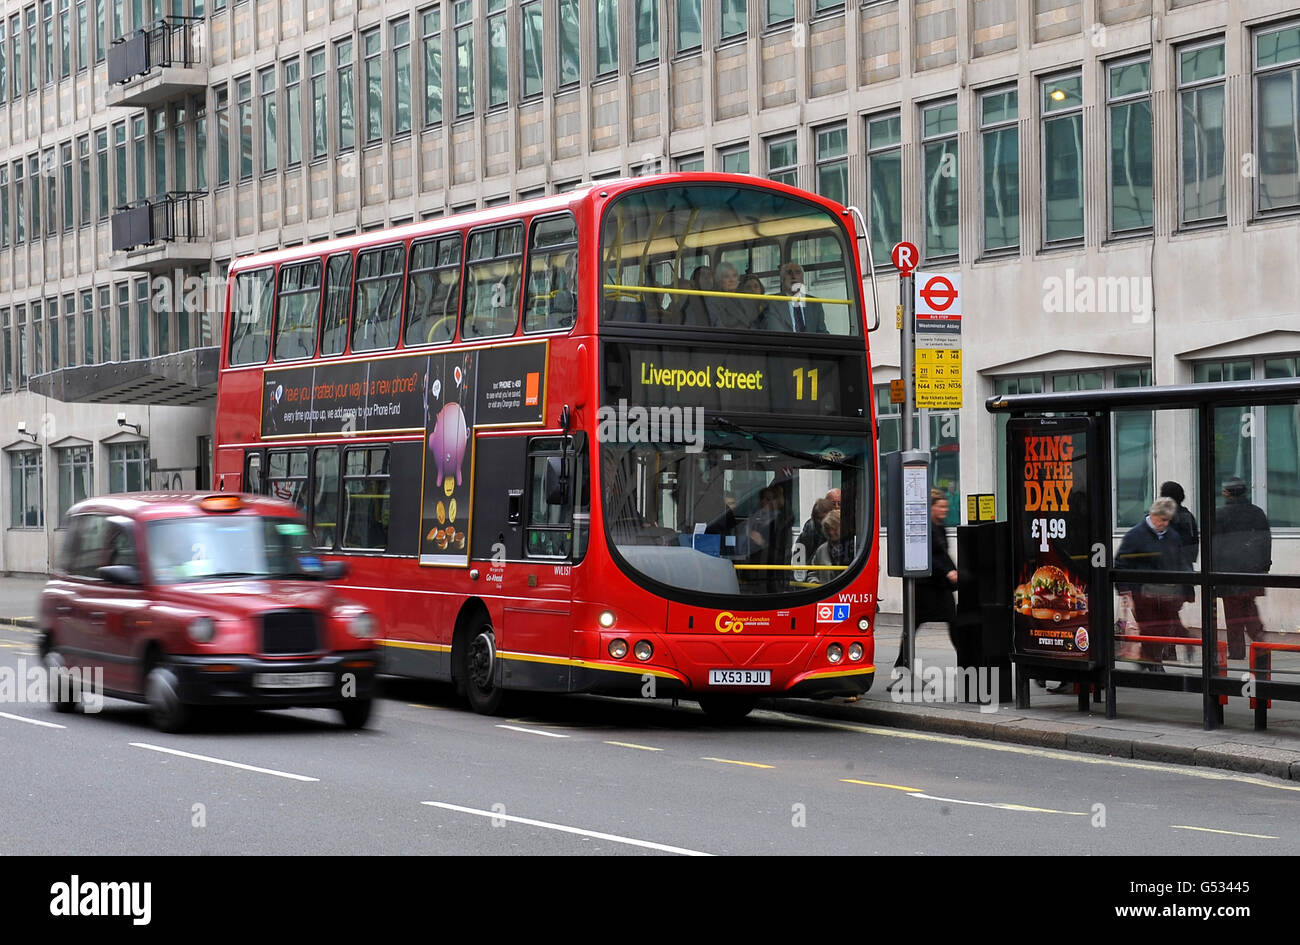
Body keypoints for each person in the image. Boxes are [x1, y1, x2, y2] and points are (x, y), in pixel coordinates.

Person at [1115, 496, 1187, 668]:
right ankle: (1155, 665)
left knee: (1161, 630)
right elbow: (1120, 564)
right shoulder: (1136, 535)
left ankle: (1147, 661)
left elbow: (1180, 563)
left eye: (1168, 520)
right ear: (1153, 515)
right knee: (1150, 629)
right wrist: (1125, 592)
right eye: (1162, 520)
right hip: (1141, 592)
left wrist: (1185, 588)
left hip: (1167, 593)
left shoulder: (1172, 536)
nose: (1165, 524)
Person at [894, 489, 958, 677]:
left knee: (953, 624)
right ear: (931, 508)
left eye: (945, 506)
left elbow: (943, 554)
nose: (944, 510)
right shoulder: (925, 527)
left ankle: (966, 661)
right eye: (940, 507)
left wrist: (951, 571)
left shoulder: (940, 526)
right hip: (927, 586)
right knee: (913, 627)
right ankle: (902, 668)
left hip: (939, 585)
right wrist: (947, 571)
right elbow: (927, 555)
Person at [1213, 476, 1272, 660]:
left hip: (1228, 573)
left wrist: (1213, 572)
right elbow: (1265, 541)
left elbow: (1214, 546)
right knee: (1250, 610)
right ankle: (1261, 645)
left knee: (1233, 615)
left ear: (1227, 493)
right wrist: (1264, 567)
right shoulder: (1257, 513)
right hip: (1253, 572)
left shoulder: (1219, 514)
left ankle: (1237, 652)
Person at [761, 262, 827, 333]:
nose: (793, 276)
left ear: (802, 279)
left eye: (797, 272)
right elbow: (773, 331)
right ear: (782, 279)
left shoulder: (814, 303)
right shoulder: (771, 302)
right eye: (789, 273)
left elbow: (822, 333)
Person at [812, 509, 853, 584]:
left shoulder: (853, 547)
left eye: (834, 529)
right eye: (827, 529)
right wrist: (814, 581)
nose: (830, 532)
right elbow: (812, 572)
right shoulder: (821, 550)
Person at [795, 497, 832, 565]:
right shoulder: (808, 533)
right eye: (819, 518)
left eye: (824, 518)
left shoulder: (835, 532)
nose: (822, 522)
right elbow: (797, 559)